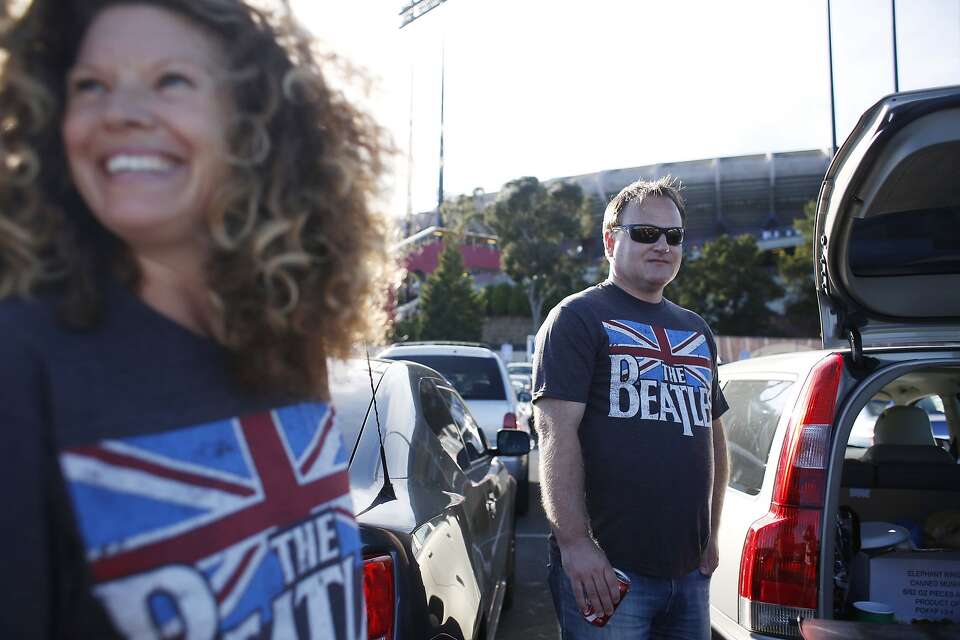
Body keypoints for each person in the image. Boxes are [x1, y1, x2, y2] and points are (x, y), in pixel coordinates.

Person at [0, 0, 393, 637]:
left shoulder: (287, 337)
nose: (120, 111)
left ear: (250, 121)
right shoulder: (21, 360)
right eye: (90, 86)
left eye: (170, 80)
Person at [533, 177, 729, 639]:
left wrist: (712, 536)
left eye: (673, 236)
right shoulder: (576, 318)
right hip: (608, 575)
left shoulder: (696, 329)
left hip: (690, 574)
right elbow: (555, 435)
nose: (662, 245)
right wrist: (575, 545)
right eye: (645, 233)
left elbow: (713, 439)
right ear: (610, 241)